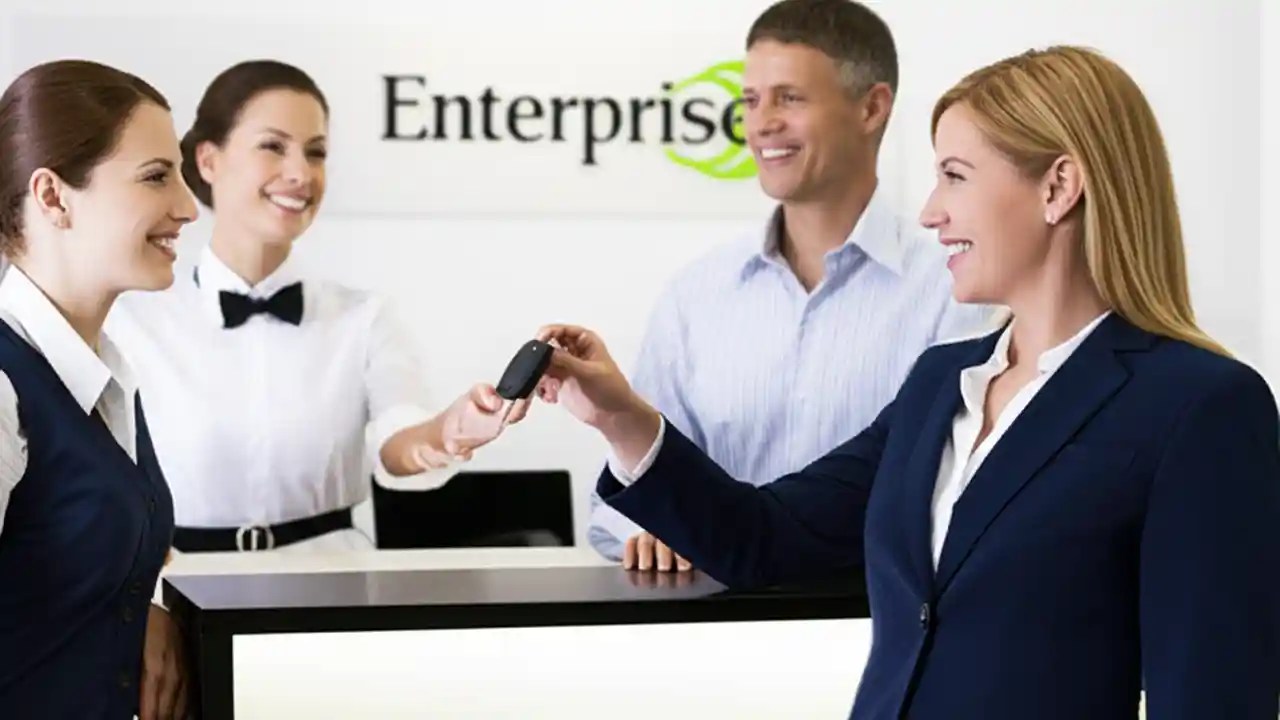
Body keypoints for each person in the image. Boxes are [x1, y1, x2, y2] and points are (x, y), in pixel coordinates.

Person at [534, 46, 1280, 718]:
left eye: (955, 176)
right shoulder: (939, 382)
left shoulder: (1198, 406)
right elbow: (765, 538)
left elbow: (1213, 695)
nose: (929, 213)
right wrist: (620, 417)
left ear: (1059, 187)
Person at [586, 0, 997, 570]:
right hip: (708, 633)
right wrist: (657, 527)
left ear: (872, 107)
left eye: (790, 98)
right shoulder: (695, 296)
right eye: (751, 100)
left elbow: (950, 499)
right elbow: (618, 503)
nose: (762, 123)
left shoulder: (958, 289)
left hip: (876, 629)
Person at [105, 60, 524, 553]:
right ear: (208, 160)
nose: (301, 173)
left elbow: (398, 437)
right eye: (273, 146)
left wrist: (448, 432)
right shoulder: (132, 317)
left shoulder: (364, 317)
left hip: (330, 589)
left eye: (316, 152)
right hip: (179, 587)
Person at [0, 60, 198, 719]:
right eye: (155, 177)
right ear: (53, 197)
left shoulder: (102, 377)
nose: (187, 206)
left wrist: (137, 609)